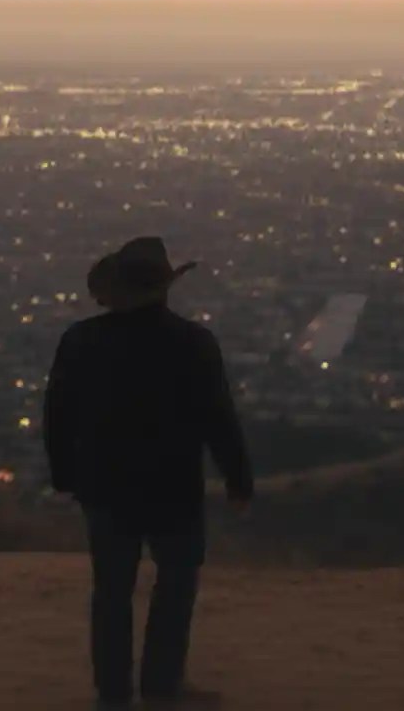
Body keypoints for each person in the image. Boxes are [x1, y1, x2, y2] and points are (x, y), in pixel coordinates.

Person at [45, 237, 253, 709]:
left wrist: (64, 474)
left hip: (104, 484)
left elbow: (58, 414)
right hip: (173, 484)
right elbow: (218, 417)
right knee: (176, 583)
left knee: (112, 591)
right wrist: (239, 479)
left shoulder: (81, 340)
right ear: (165, 286)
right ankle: (161, 684)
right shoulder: (193, 342)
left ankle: (113, 693)